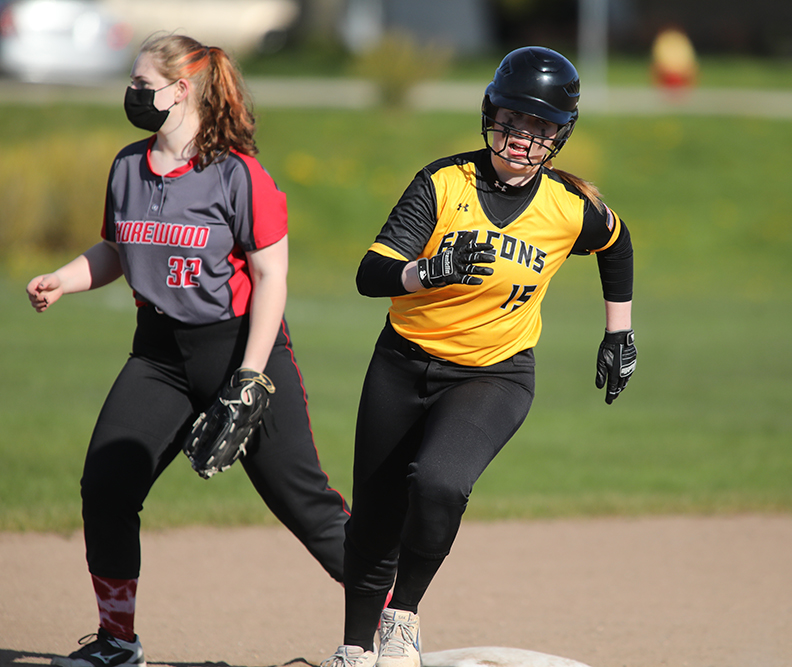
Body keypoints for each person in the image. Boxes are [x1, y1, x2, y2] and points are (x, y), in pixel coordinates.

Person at [26, 34, 350, 667]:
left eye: (143, 85)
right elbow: (118, 250)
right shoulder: (127, 165)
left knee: (303, 501)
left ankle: (392, 616)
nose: (132, 94)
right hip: (158, 355)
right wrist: (65, 279)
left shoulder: (238, 173)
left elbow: (270, 278)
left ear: (180, 91)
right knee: (108, 487)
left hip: (238, 348)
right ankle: (118, 641)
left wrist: (250, 379)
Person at [323, 46, 637, 667]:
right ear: (490, 115)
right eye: (513, 121)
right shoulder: (444, 183)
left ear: (561, 137)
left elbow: (618, 242)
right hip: (403, 362)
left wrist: (618, 333)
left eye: (541, 128)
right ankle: (355, 650)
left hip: (494, 373)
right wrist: (428, 271)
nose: (523, 138)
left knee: (439, 482)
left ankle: (402, 619)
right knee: (376, 516)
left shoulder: (567, 208)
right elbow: (370, 273)